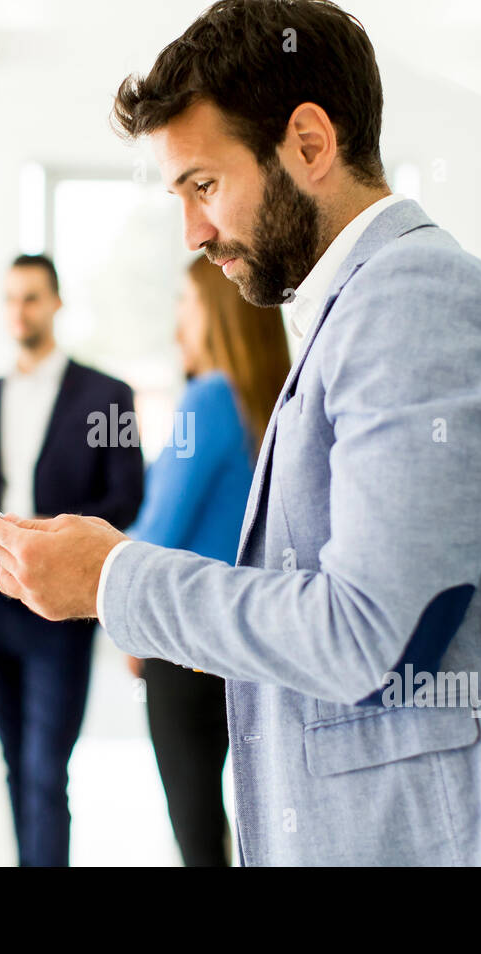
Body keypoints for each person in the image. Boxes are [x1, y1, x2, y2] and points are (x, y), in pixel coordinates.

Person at [0, 0, 481, 866]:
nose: (194, 232)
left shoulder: (414, 300)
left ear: (310, 143)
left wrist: (113, 579)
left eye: (205, 185)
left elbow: (371, 633)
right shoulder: (353, 310)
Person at [0, 253, 144, 866]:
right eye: (10, 299)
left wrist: (56, 538)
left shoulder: (108, 394)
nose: (19, 311)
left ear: (55, 303)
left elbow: (128, 495)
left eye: (31, 297)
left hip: (60, 607)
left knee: (45, 767)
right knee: (14, 763)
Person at [125, 255, 289, 866]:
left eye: (186, 309)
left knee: (196, 831)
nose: (177, 329)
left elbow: (155, 534)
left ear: (217, 315)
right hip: (253, 641)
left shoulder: (208, 399)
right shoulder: (275, 397)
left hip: (184, 643)